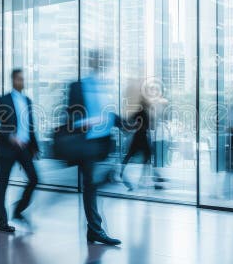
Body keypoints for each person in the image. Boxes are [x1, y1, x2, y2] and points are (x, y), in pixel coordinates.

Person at [68, 50, 122, 246]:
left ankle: (94, 229)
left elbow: (109, 114)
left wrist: (125, 123)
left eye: (104, 60)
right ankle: (96, 230)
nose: (102, 63)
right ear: (91, 62)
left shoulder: (103, 87)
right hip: (86, 144)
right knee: (91, 185)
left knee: (95, 185)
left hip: (102, 144)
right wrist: (91, 121)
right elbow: (72, 118)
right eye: (99, 59)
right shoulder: (78, 87)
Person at [0, 68, 40, 233]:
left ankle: (18, 211)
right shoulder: (2, 100)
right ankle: (1, 222)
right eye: (19, 79)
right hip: (7, 148)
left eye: (23, 79)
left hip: (24, 148)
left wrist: (35, 147)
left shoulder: (27, 101)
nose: (21, 82)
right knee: (3, 184)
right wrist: (10, 137)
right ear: (13, 80)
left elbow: (30, 126)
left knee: (34, 179)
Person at [119, 94, 165, 191]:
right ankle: (154, 180)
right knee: (146, 158)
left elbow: (132, 123)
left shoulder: (141, 112)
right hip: (142, 137)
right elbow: (148, 126)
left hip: (140, 136)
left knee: (133, 156)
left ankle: (123, 172)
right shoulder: (144, 113)